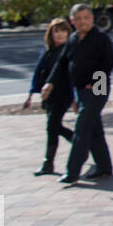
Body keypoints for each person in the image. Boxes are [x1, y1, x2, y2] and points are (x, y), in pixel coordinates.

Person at [42, 3, 113, 185]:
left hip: (98, 86)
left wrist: (93, 83)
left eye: (86, 18)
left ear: (92, 19)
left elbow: (108, 64)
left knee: (82, 127)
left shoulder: (101, 38)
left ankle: (72, 171)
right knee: (94, 127)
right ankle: (104, 167)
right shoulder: (73, 39)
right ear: (72, 21)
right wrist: (49, 84)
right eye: (78, 19)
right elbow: (61, 64)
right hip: (81, 89)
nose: (83, 22)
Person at [22, 18, 75, 176]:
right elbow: (38, 73)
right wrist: (31, 94)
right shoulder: (46, 51)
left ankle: (48, 163)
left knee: (52, 126)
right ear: (50, 34)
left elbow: (73, 76)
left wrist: (74, 99)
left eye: (63, 31)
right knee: (53, 127)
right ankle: (77, 140)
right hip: (48, 95)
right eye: (56, 31)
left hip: (63, 94)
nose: (59, 35)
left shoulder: (69, 51)